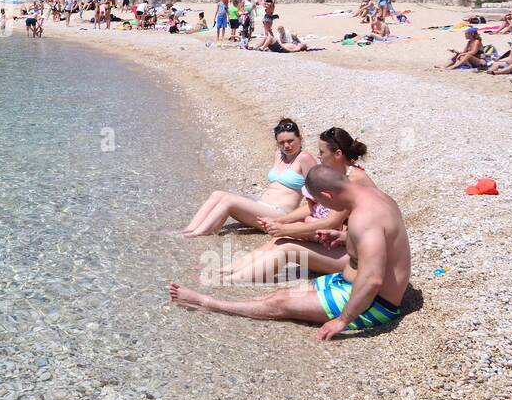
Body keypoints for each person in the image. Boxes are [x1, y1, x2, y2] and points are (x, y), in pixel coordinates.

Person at [170, 167, 411, 339]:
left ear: (327, 195)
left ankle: (209, 303)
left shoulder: (364, 218)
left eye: (323, 204)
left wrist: (342, 320)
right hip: (347, 281)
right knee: (283, 292)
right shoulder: (375, 196)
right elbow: (382, 240)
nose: (327, 211)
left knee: (279, 304)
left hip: (376, 302)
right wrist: (344, 237)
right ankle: (228, 299)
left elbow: (372, 279)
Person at [222, 128, 373, 284]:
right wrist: (282, 221)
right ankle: (230, 271)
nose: (319, 156)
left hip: (360, 257)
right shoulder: (342, 175)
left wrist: (285, 228)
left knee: (287, 248)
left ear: (338, 154)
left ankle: (231, 282)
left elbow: (331, 222)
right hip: (348, 244)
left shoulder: (353, 180)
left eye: (321, 152)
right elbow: (315, 207)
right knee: (280, 239)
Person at [182, 119, 316, 236]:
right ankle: (189, 230)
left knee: (228, 201)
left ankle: (198, 234)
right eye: (281, 143)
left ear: (300, 138)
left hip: (280, 214)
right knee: (217, 194)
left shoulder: (304, 158)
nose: (286, 146)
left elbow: (317, 192)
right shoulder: (278, 155)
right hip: (260, 206)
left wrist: (309, 219)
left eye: (290, 141)